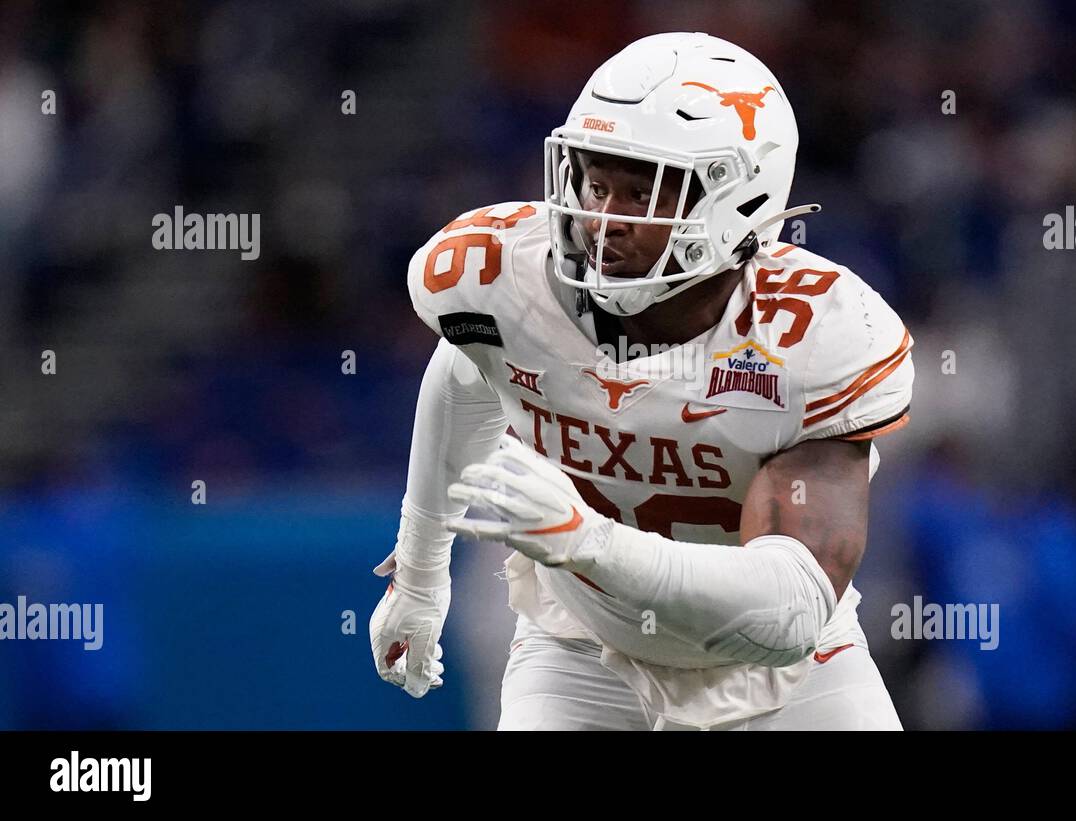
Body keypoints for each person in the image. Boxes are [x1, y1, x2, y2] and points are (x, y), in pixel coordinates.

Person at [369, 32, 913, 730]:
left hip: (785, 675)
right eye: (596, 183)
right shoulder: (504, 276)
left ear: (738, 202)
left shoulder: (816, 337)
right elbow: (468, 368)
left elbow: (791, 611)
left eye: (642, 193)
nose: (604, 222)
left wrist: (586, 540)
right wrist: (420, 576)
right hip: (581, 649)